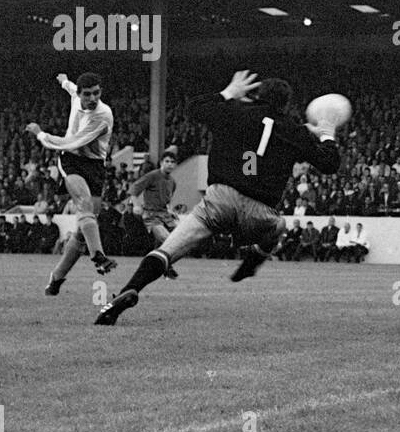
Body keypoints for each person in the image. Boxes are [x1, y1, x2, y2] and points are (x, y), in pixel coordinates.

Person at [95, 70, 342, 325]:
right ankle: (252, 263)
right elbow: (329, 164)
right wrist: (326, 134)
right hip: (260, 211)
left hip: (219, 199)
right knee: (278, 225)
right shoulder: (294, 131)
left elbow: (194, 108)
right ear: (285, 104)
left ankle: (130, 289)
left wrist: (228, 93)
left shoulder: (234, 110)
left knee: (167, 251)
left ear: (256, 95)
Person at [30, 72, 119, 295]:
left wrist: (40, 134)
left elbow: (72, 142)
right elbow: (70, 88)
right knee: (84, 204)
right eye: (87, 94)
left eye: (96, 93)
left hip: (94, 165)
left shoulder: (103, 116)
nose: (93, 98)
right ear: (80, 94)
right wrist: (63, 80)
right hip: (71, 161)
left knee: (82, 232)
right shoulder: (76, 96)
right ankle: (99, 256)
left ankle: (56, 278)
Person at [129, 149, 181, 278]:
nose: (169, 164)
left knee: (177, 240)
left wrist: (170, 211)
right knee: (168, 239)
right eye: (167, 161)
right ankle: (167, 267)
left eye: (172, 162)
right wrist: (136, 205)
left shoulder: (172, 182)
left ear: (175, 165)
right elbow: (134, 189)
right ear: (161, 163)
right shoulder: (152, 176)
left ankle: (152, 267)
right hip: (150, 214)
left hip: (165, 215)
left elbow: (167, 200)